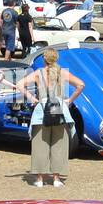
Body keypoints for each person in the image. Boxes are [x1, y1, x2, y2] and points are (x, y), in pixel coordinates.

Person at [16, 47, 84, 188]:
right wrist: (69, 100)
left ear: (44, 59)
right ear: (56, 59)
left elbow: (20, 84)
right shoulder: (63, 72)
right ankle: (56, 179)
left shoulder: (38, 73)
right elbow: (81, 84)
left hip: (42, 110)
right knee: (59, 145)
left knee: (40, 145)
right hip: (60, 110)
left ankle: (40, 179)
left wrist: (32, 98)